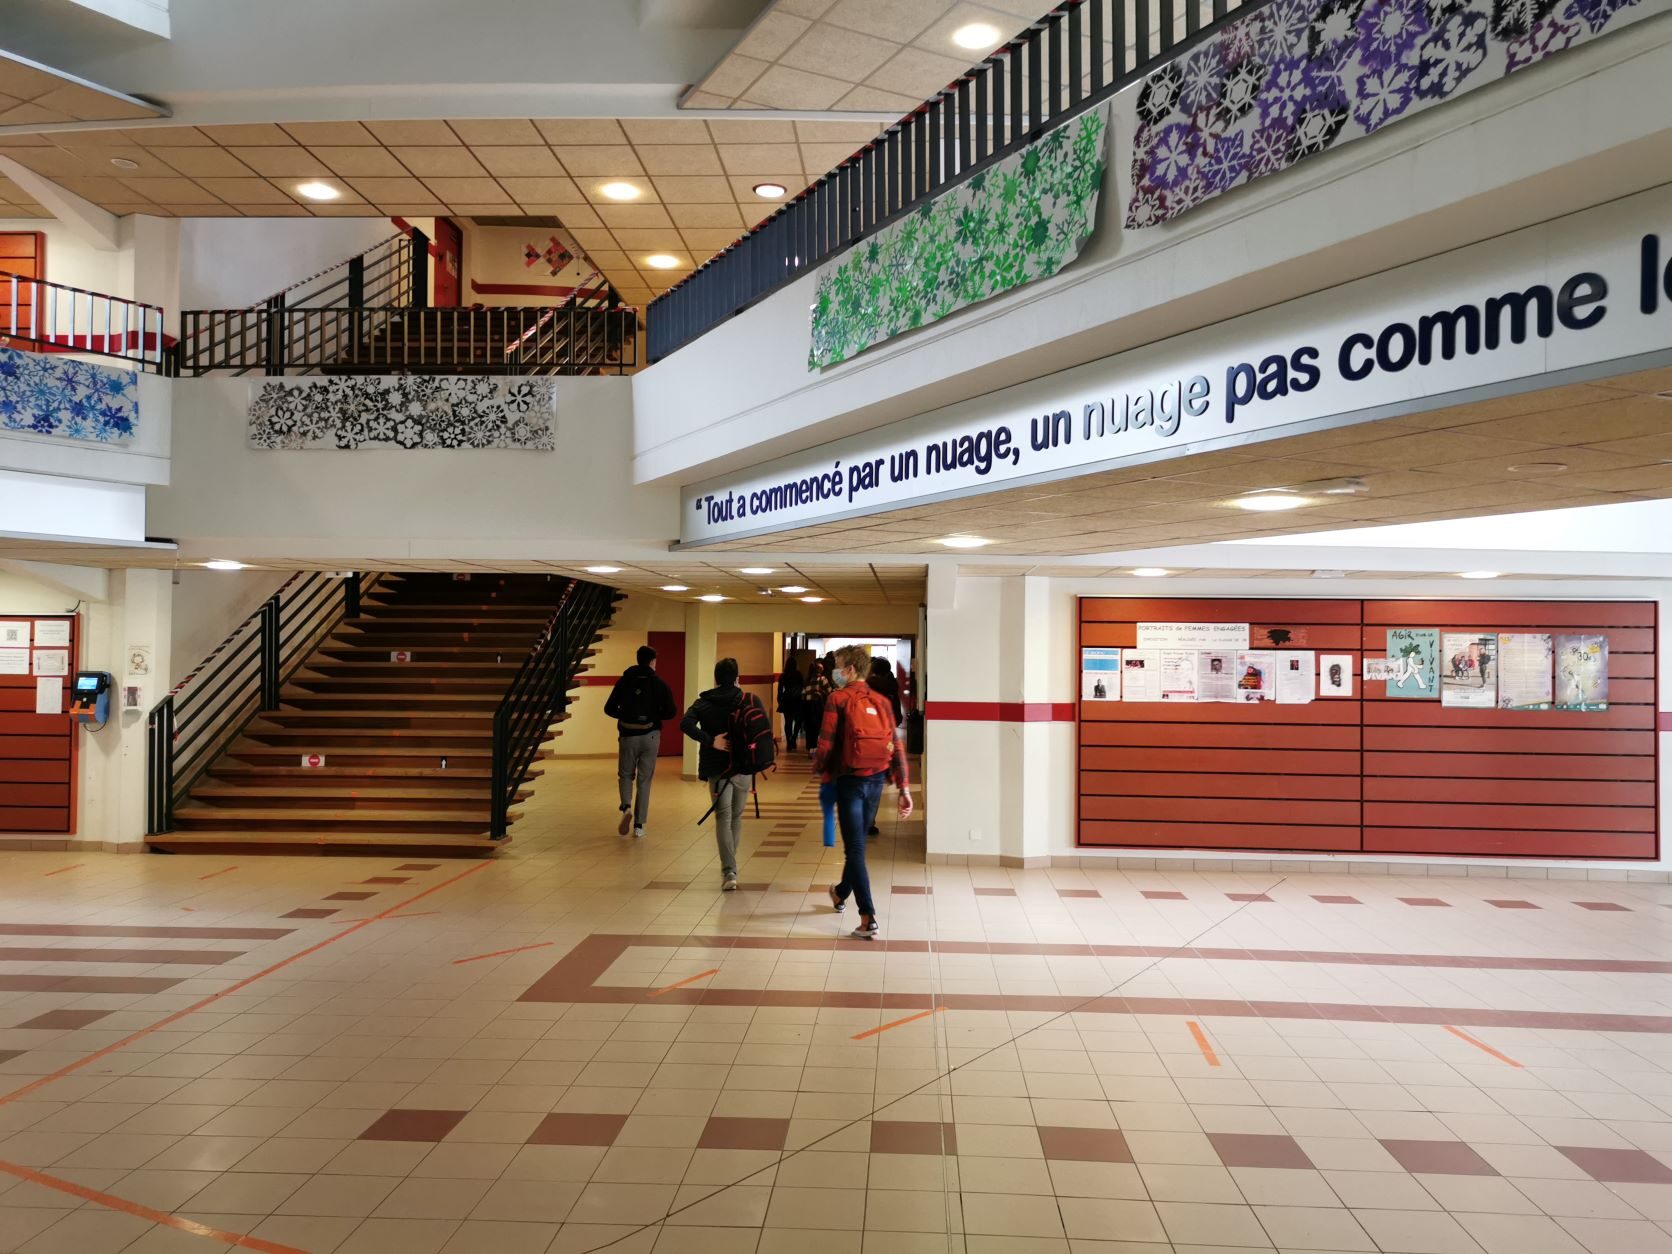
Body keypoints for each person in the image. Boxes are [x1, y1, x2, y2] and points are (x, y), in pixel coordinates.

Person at [817, 645, 913, 940]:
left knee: (854, 849)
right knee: (858, 846)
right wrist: (904, 787)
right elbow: (895, 744)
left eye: (839, 665)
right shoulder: (881, 701)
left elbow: (826, 744)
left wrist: (821, 773)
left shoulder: (838, 698)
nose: (836, 671)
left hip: (849, 781)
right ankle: (841, 892)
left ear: (849, 670)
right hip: (875, 781)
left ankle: (867, 917)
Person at [679, 657, 765, 892]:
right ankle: (731, 866)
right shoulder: (748, 700)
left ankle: (729, 870)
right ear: (738, 678)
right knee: (736, 817)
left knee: (723, 817)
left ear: (716, 679)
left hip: (717, 768)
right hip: (743, 767)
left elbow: (684, 724)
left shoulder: (703, 703)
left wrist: (710, 740)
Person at [602, 644, 676, 839]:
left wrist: (625, 715)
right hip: (651, 736)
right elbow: (671, 712)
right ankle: (639, 825)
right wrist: (654, 714)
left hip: (627, 735)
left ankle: (626, 807)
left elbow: (608, 708)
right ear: (652, 662)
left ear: (637, 659)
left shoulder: (624, 681)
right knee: (644, 780)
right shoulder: (659, 684)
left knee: (625, 774)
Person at [863, 657, 905, 837]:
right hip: (884, 741)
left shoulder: (867, 687)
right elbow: (898, 717)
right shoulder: (892, 688)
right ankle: (869, 822)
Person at [801, 661, 831, 762]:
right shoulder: (823, 679)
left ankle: (810, 750)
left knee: (809, 730)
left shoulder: (807, 680)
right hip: (818, 707)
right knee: (817, 730)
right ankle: (815, 751)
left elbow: (803, 694)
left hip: (808, 707)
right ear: (819, 670)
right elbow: (829, 692)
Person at [777, 659, 804, 752]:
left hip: (787, 700)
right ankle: (794, 738)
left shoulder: (783, 676)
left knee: (788, 722)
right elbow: (802, 687)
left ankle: (788, 742)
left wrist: (779, 700)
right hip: (797, 699)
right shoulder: (799, 674)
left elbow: (780, 689)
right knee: (798, 721)